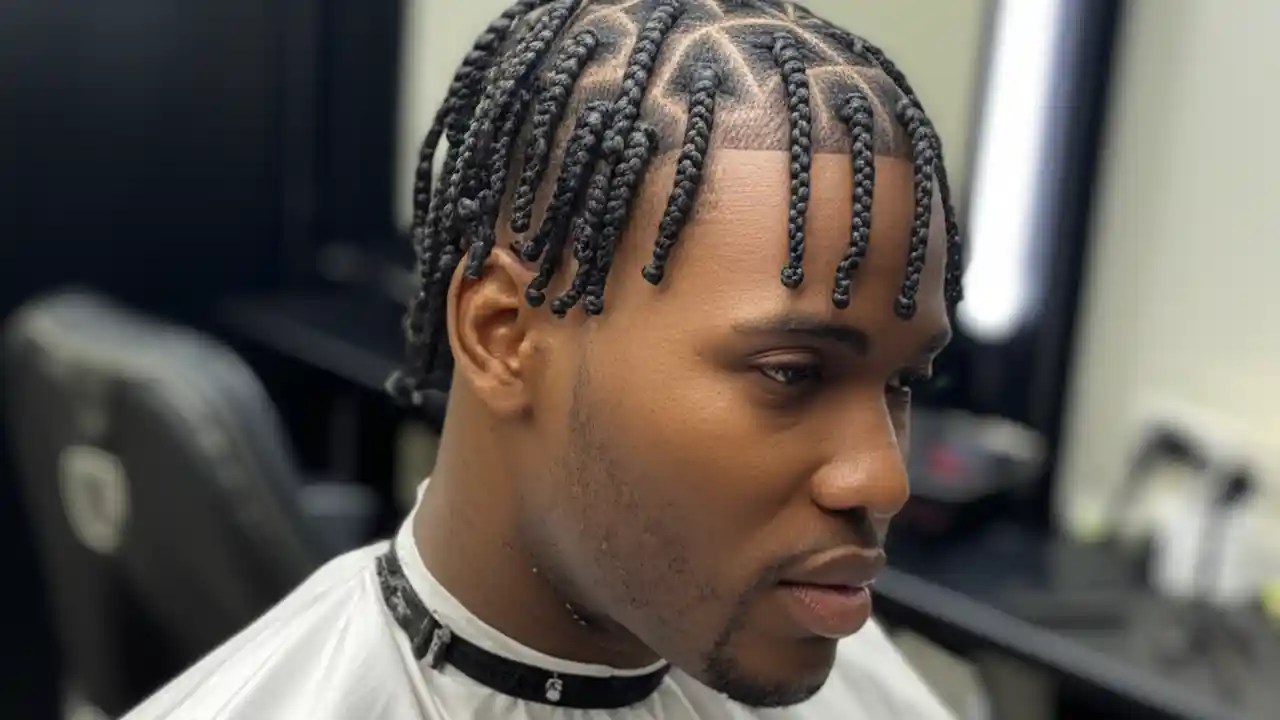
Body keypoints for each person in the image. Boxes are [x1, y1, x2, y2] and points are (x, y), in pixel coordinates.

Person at [126, 0, 962, 717]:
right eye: (792, 371)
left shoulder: (859, 675)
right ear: (501, 334)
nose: (883, 480)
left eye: (903, 382)